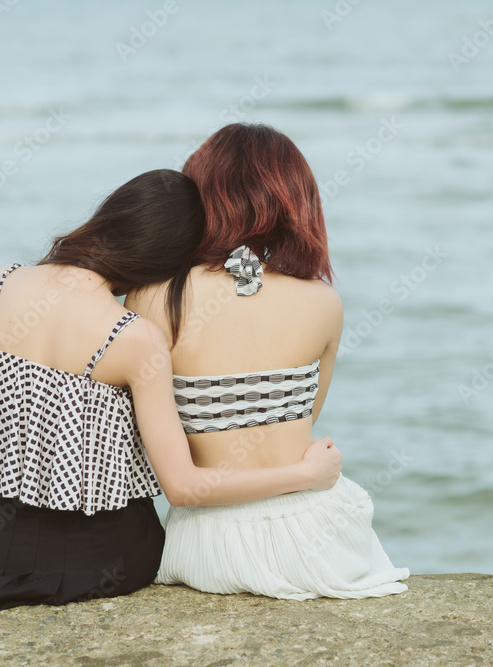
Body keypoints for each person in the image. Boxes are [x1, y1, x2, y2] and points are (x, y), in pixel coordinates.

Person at [0, 169, 342, 610]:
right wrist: (305, 475)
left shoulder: (1, 283)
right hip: (97, 560)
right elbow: (183, 487)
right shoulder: (133, 338)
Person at [127, 125, 409, 600]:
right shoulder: (324, 301)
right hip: (322, 534)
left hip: (210, 542)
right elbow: (306, 418)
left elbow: (169, 463)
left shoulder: (153, 299)